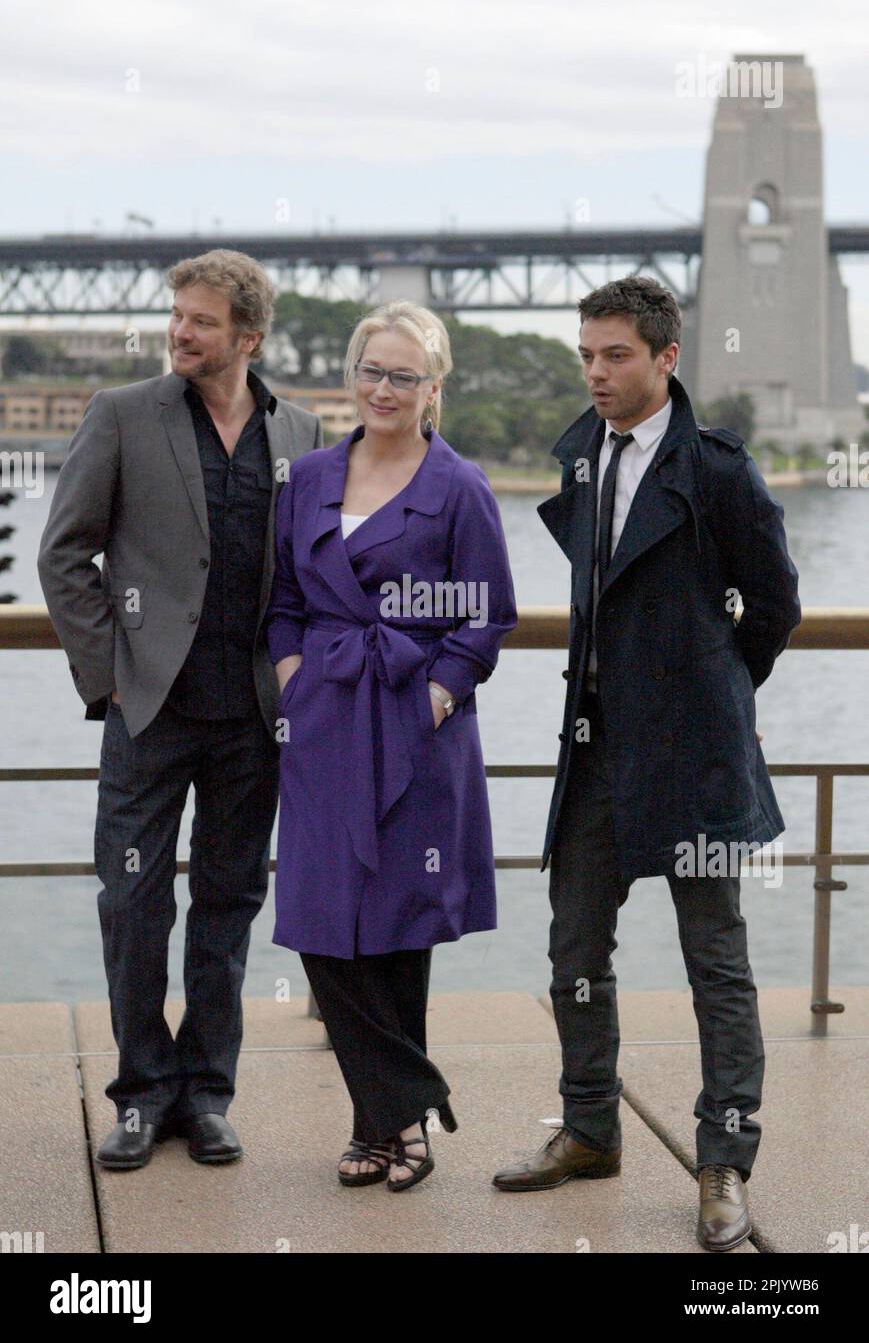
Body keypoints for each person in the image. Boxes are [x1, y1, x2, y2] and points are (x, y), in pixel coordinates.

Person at [492, 277, 801, 1252]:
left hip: (697, 760)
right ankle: (588, 1128)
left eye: (614, 354)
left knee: (715, 963)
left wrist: (720, 695)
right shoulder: (581, 454)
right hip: (593, 749)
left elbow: (774, 602)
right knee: (572, 951)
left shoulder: (715, 471)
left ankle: (720, 1164)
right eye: (585, 353)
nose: (594, 371)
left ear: (665, 358)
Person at [38, 249, 323, 1170]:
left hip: (254, 717)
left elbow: (316, 577)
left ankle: (206, 1094)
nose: (180, 332)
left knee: (229, 906)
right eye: (177, 316)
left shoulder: (303, 433)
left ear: (247, 336)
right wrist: (108, 677)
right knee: (131, 902)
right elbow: (64, 555)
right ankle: (139, 1091)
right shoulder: (122, 414)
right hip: (148, 711)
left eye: (201, 321)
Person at [266, 300, 517, 1190]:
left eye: (403, 376)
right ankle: (407, 1102)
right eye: (372, 370)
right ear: (352, 376)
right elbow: (282, 602)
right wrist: (295, 674)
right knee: (320, 918)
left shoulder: (461, 486)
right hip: (325, 716)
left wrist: (441, 695)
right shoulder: (307, 478)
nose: (383, 388)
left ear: (432, 389)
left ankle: (383, 1130)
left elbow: (487, 615)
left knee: (399, 925)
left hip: (416, 722)